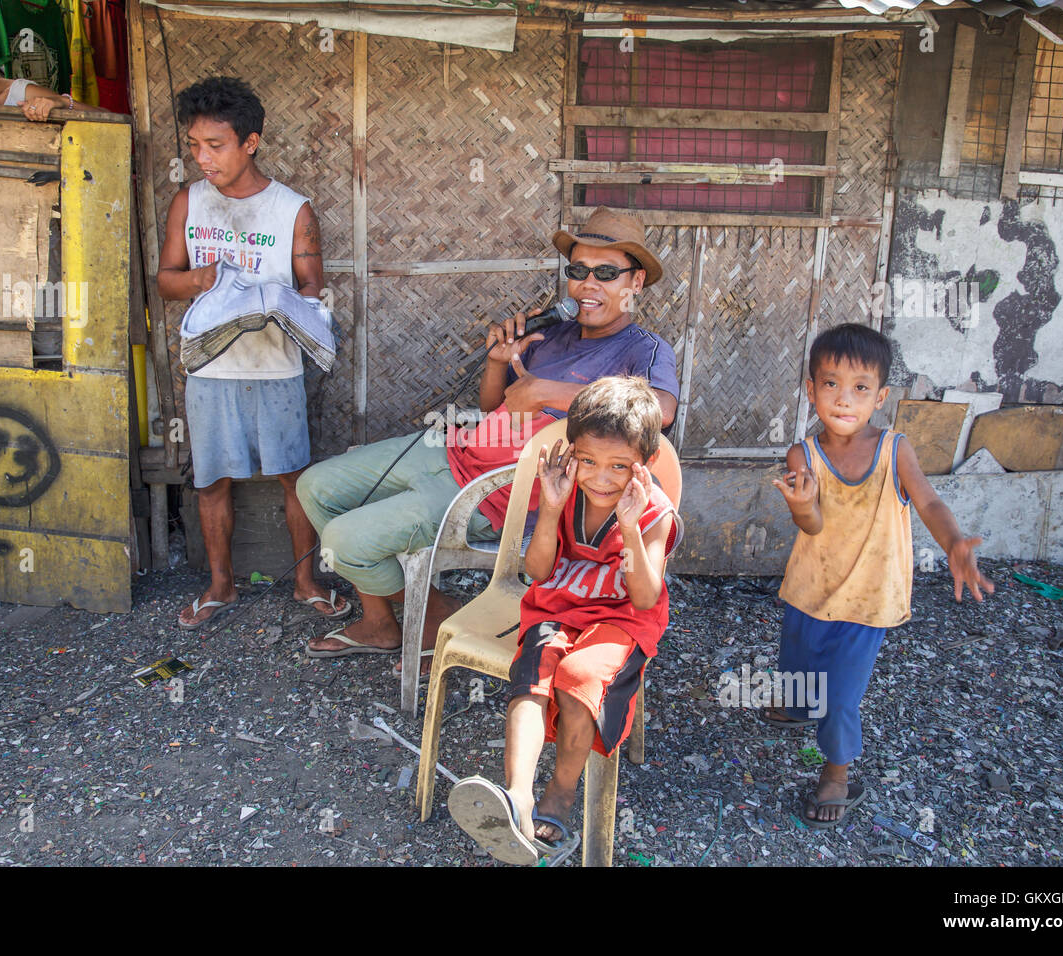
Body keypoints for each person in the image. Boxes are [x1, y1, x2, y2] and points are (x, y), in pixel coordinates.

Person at [296, 207, 679, 672]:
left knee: (345, 542)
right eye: (578, 271)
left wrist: (546, 391)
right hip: (454, 448)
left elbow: (661, 411)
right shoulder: (552, 331)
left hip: (494, 491)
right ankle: (382, 622)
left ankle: (436, 612)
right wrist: (499, 361)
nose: (588, 284)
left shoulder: (644, 348)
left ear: (635, 283)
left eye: (605, 273)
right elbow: (495, 405)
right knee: (314, 487)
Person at [767, 323, 993, 828]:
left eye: (860, 388)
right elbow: (814, 523)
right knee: (798, 664)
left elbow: (929, 501)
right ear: (810, 390)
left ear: (881, 396)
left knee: (843, 695)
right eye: (830, 384)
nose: (844, 400)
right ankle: (800, 706)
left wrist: (954, 541)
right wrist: (802, 505)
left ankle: (836, 774)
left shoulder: (895, 449)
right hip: (810, 589)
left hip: (869, 600)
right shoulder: (803, 456)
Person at [447, 376, 681, 863]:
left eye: (619, 466)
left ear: (646, 463)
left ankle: (561, 791)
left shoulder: (653, 510)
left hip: (623, 618)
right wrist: (550, 510)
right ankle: (517, 799)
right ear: (572, 453)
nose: (601, 478)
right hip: (557, 607)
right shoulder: (563, 490)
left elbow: (643, 596)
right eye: (589, 462)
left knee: (577, 681)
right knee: (533, 678)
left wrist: (631, 528)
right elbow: (536, 572)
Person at [157, 76, 348, 629]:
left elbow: (313, 289)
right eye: (194, 145)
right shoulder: (188, 202)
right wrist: (207, 278)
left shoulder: (292, 209)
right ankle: (221, 585)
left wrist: (281, 303)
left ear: (251, 142)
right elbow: (166, 282)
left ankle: (305, 582)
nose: (202, 158)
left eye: (215, 145)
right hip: (211, 368)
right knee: (212, 481)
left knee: (295, 476)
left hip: (276, 365)